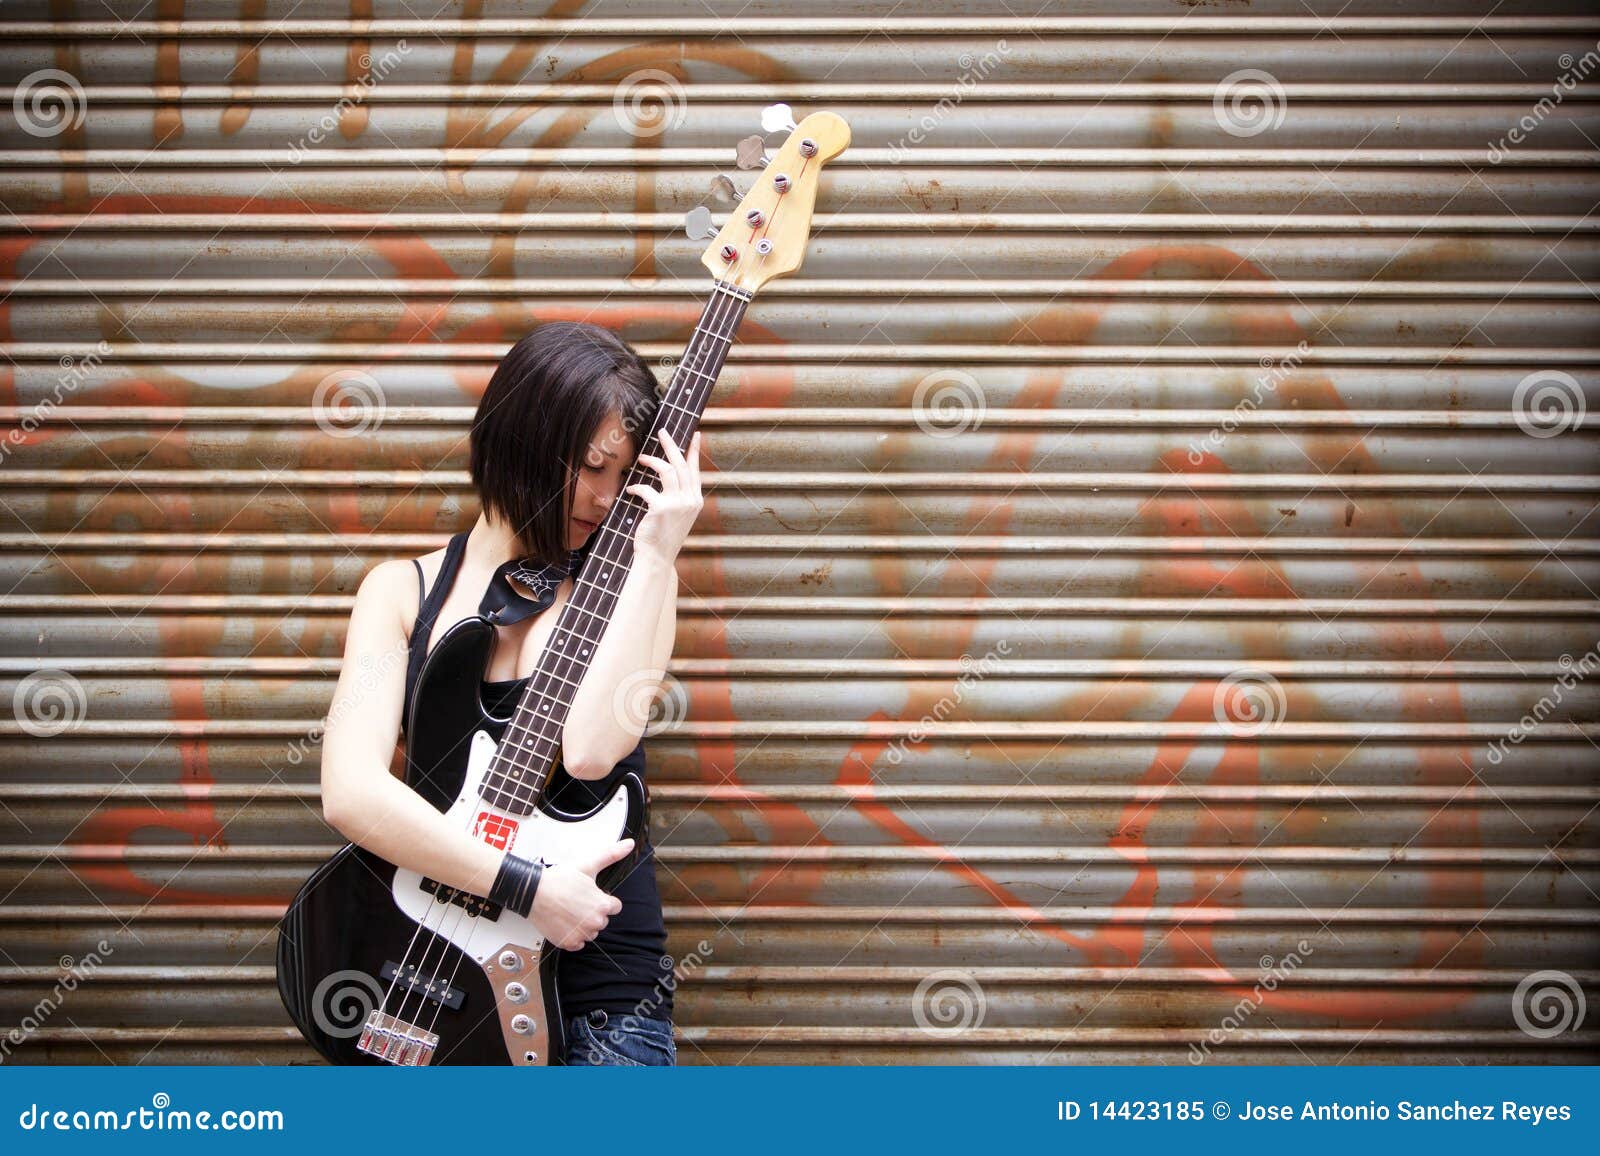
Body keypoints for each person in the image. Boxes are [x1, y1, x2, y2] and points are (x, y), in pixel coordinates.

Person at [317, 321, 700, 1066]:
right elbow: (351, 792)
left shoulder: (637, 583)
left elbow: (589, 751)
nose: (607, 497)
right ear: (524, 441)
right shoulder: (403, 591)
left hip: (599, 994)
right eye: (592, 468)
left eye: (626, 476)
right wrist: (526, 888)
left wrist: (656, 556)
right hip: (420, 965)